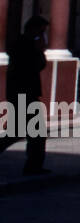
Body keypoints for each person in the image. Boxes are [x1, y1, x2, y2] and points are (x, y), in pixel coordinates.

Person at [0, 15, 51, 175]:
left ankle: (33, 166)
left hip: (23, 93)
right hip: (24, 94)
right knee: (27, 132)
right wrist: (41, 50)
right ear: (34, 30)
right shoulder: (25, 45)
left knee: (26, 132)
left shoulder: (23, 43)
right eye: (42, 32)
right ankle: (33, 166)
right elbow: (37, 65)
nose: (43, 35)